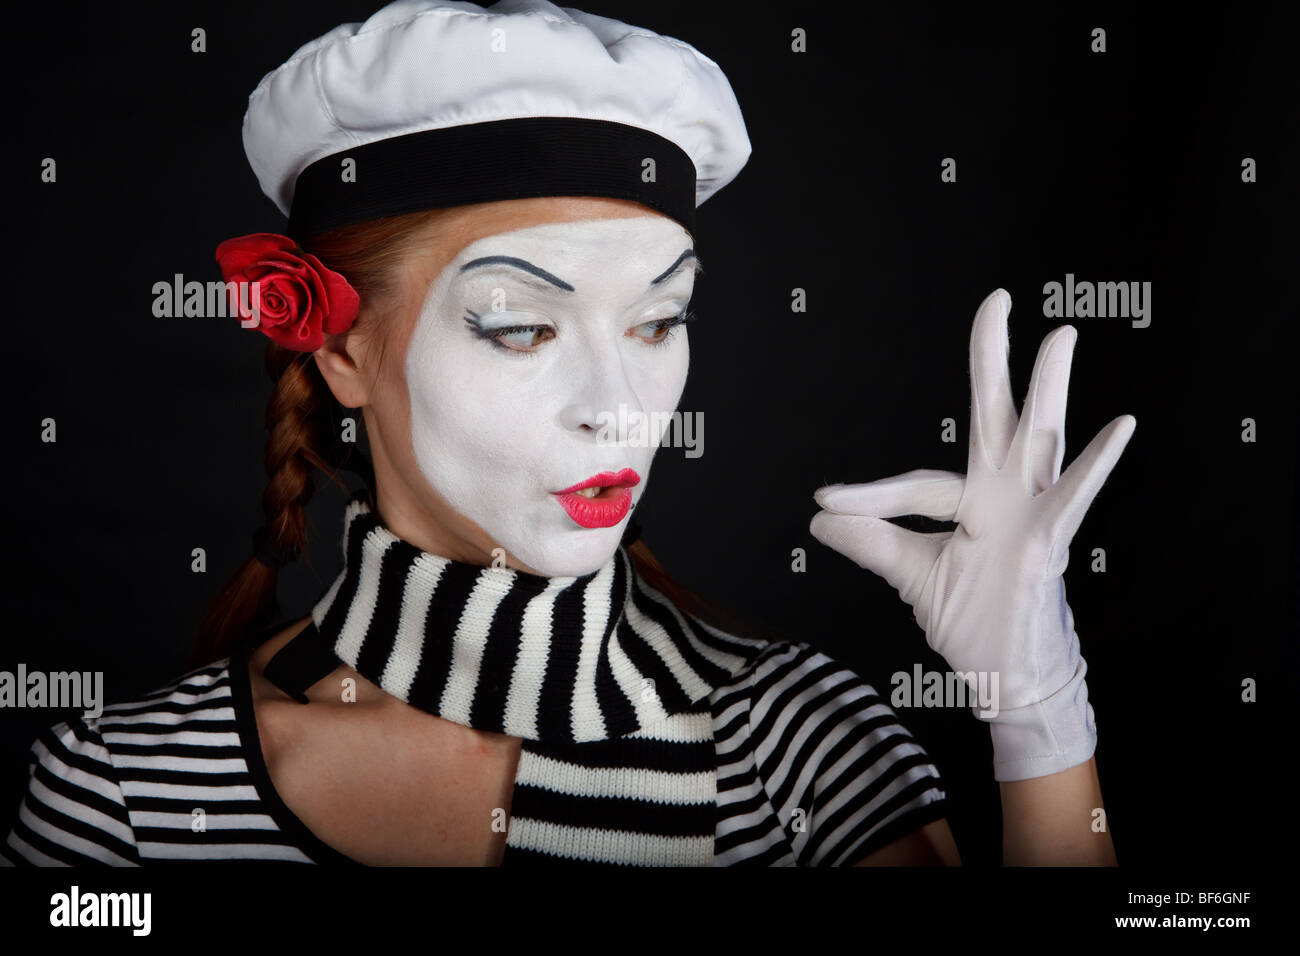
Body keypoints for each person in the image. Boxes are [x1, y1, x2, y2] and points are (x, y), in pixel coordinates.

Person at [1, 0, 1130, 867]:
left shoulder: (801, 747)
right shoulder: (129, 791)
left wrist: (1039, 723)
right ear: (339, 351)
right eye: (521, 325)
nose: (620, 403)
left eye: (657, 319)